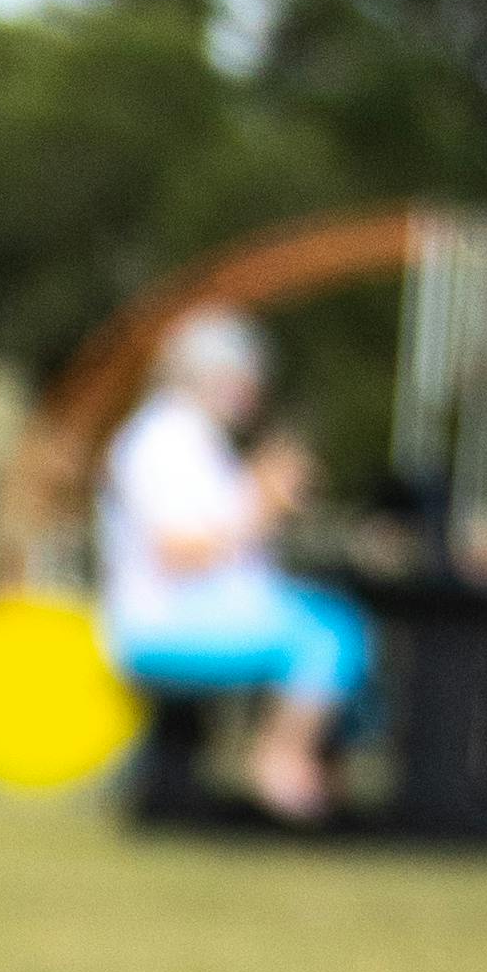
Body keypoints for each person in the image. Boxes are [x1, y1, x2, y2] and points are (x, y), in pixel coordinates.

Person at [97, 310, 373, 822]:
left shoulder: (196, 439)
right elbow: (180, 553)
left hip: (201, 615)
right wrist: (263, 501)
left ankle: (315, 773)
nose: (252, 391)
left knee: (337, 620)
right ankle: (279, 762)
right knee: (330, 634)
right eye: (244, 377)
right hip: (164, 626)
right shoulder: (162, 441)